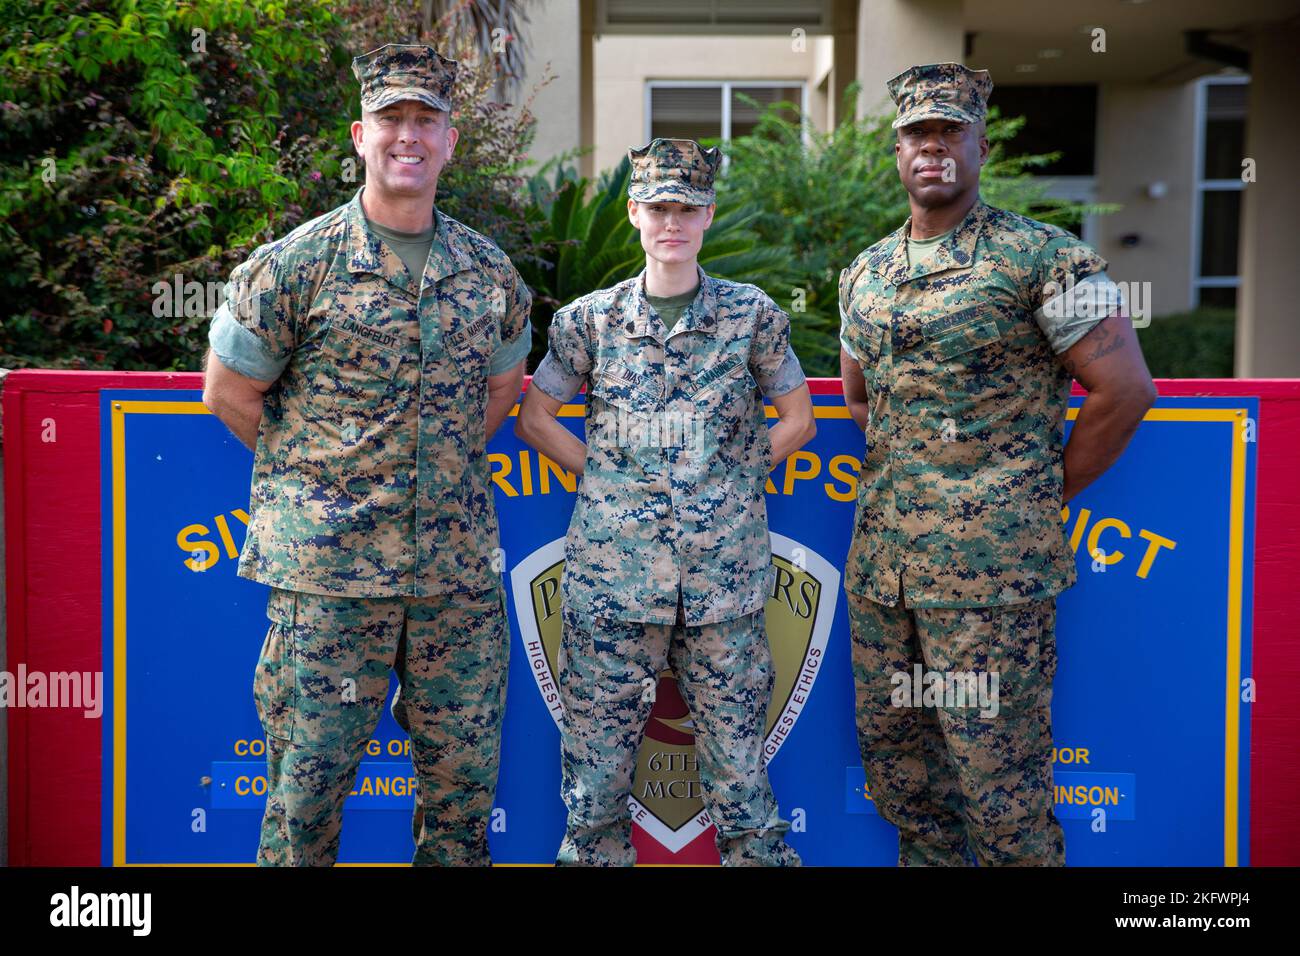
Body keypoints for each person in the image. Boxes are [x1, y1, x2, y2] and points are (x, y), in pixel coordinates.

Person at [201, 43, 532, 866]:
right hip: (330, 584)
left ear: (451, 140)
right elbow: (228, 391)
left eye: (427, 120)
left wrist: (432, 472)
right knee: (306, 798)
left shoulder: (489, 274)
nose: (408, 137)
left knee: (462, 799)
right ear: (360, 134)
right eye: (392, 119)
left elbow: (502, 392)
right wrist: (318, 482)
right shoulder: (296, 266)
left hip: (453, 581)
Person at [838, 63, 1157, 866]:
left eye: (950, 131)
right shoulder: (864, 274)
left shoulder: (1046, 259)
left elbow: (1123, 390)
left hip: (992, 583)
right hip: (886, 575)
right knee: (906, 783)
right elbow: (860, 399)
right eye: (918, 132)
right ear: (898, 148)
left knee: (998, 791)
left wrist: (1037, 493)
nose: (933, 145)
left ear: (980, 144)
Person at [516, 138, 814, 866]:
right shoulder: (590, 320)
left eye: (686, 207)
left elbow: (799, 419)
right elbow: (535, 417)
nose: (671, 222)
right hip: (613, 586)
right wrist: (609, 479)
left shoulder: (752, 316)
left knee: (743, 788)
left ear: (707, 214)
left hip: (724, 592)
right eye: (657, 208)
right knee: (594, 794)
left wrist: (733, 476)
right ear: (634, 214)